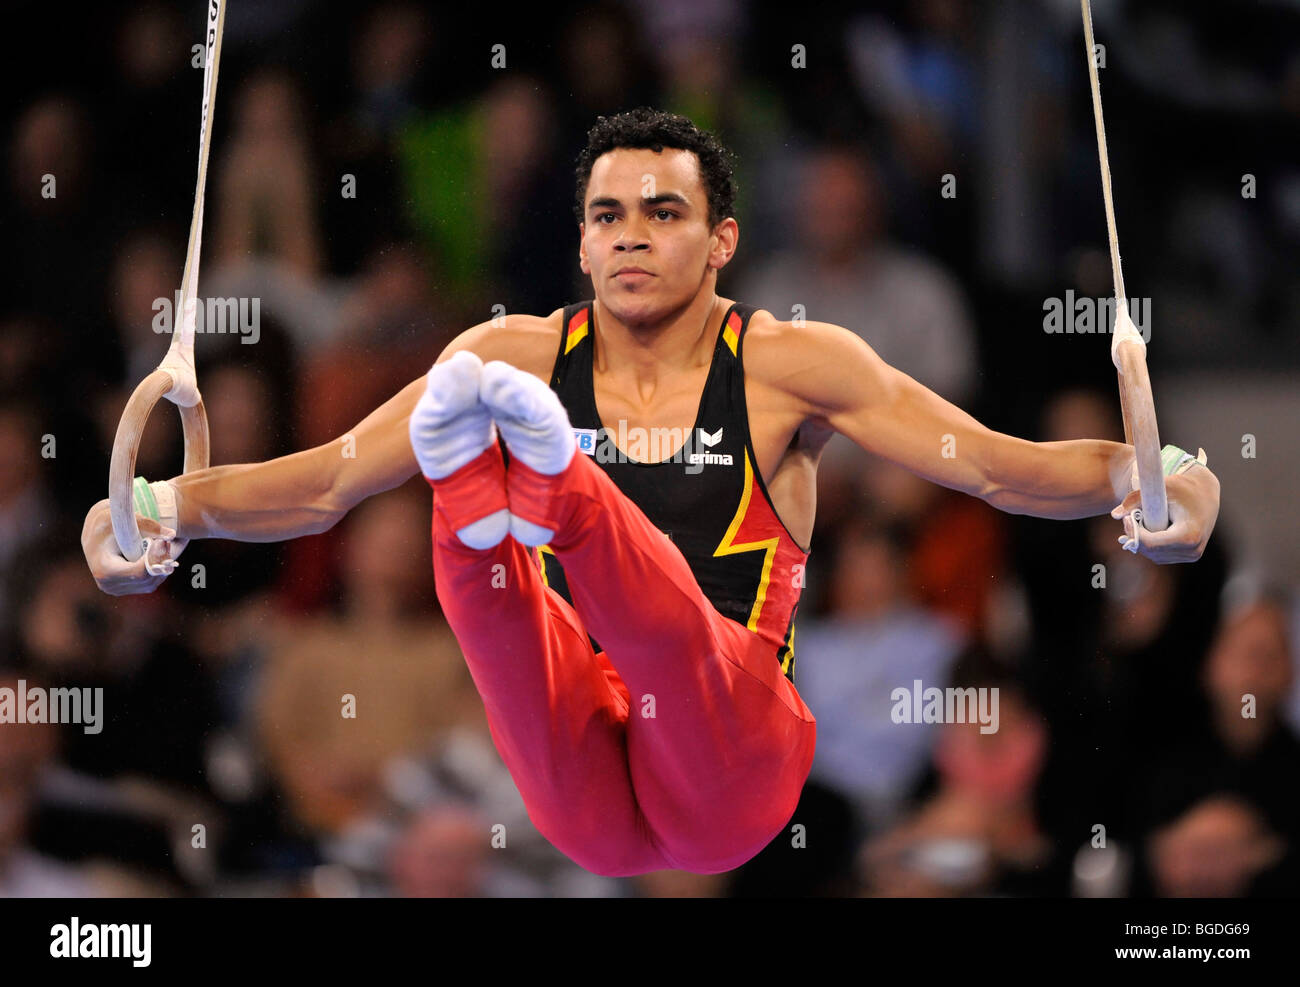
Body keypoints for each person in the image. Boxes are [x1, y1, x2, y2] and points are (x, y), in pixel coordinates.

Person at [82, 108, 1222, 876]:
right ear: (578, 243)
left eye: (663, 214)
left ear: (722, 240)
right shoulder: (515, 355)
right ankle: (483, 507)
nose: (632, 237)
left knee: (662, 616)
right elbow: (323, 486)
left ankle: (545, 494)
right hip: (580, 773)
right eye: (608, 216)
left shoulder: (790, 366)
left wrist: (1158, 478)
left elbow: (999, 467)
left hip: (734, 762)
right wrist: (153, 509)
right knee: (498, 604)